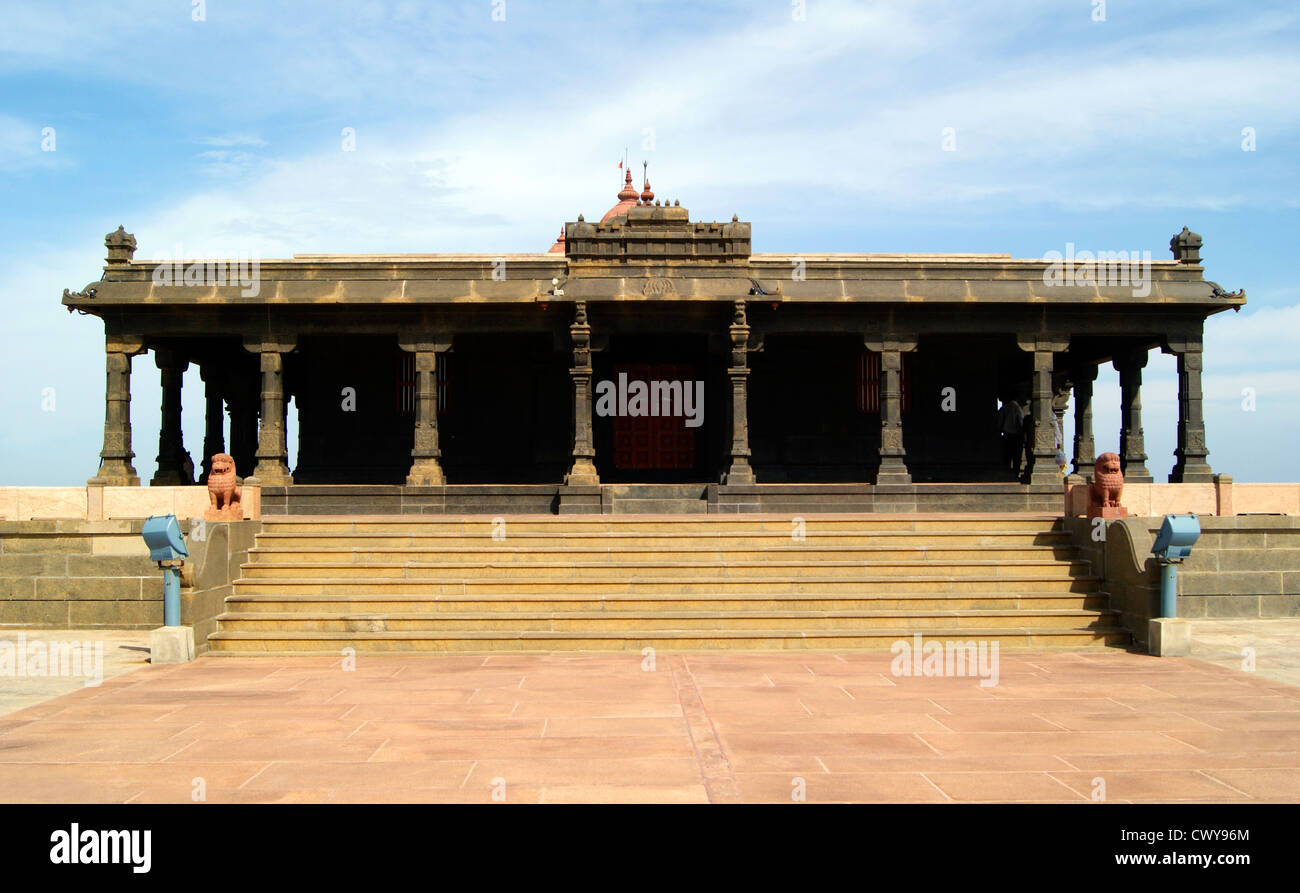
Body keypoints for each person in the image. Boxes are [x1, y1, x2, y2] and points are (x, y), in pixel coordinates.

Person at [997, 395, 1024, 476]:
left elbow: (999, 424)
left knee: (1007, 457)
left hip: (1007, 436)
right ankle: (1015, 475)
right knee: (1017, 458)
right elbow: (1020, 423)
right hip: (1016, 436)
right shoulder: (1018, 408)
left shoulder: (1004, 408)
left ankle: (1006, 474)